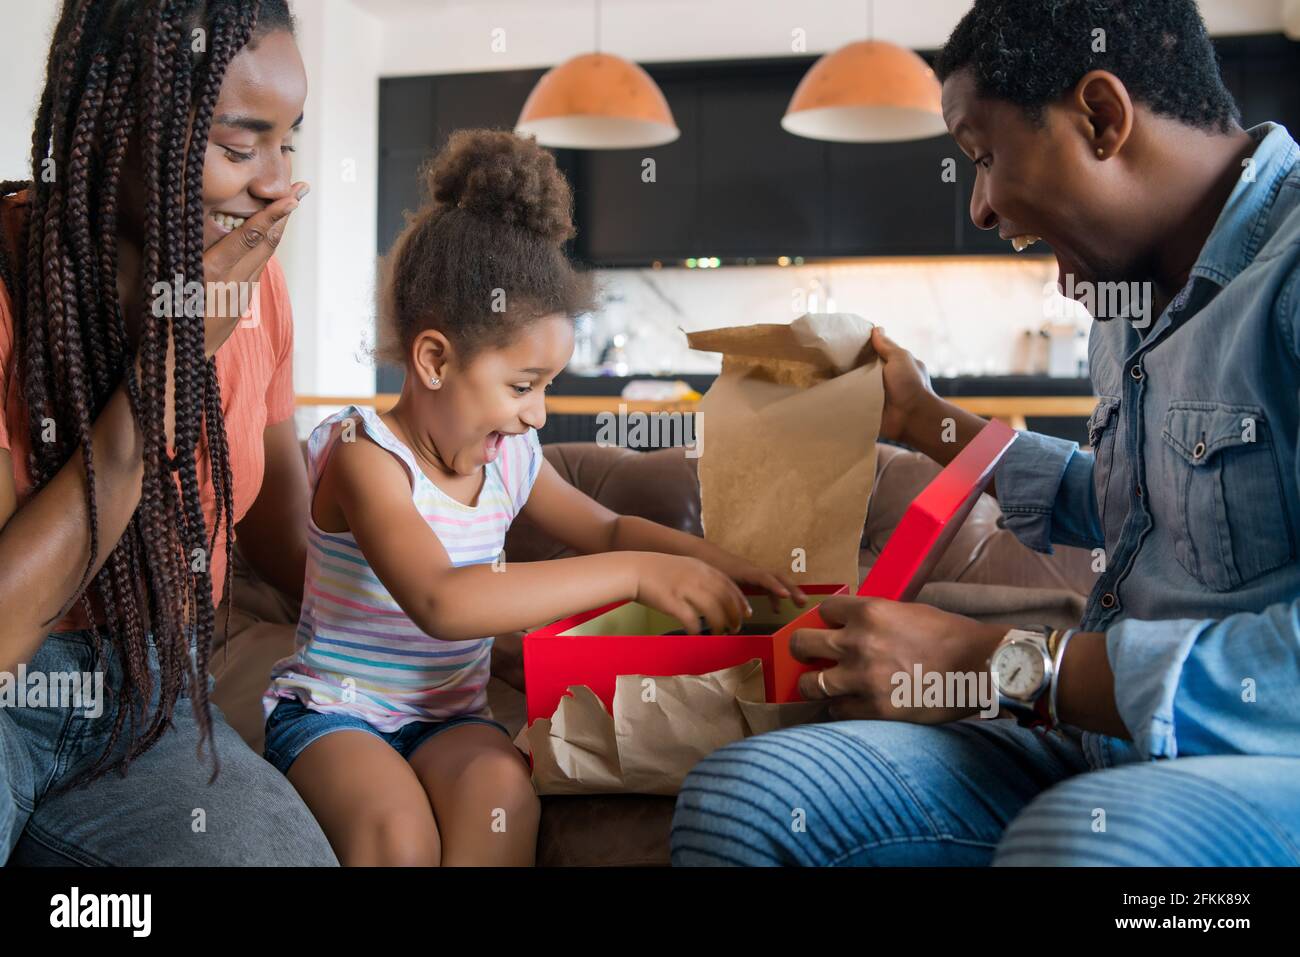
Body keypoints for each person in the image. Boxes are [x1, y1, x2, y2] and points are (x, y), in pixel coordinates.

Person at [671, 0, 1300, 866]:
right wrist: (925, 420)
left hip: (1262, 758)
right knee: (744, 802)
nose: (979, 207)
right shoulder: (1125, 286)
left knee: (1076, 847)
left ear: (1101, 118)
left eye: (985, 156)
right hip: (1089, 738)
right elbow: (1136, 503)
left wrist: (1005, 662)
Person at [262, 129, 807, 866]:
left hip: (449, 718)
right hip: (338, 714)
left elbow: (612, 530)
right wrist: (642, 576)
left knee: (504, 798)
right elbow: (443, 599)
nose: (538, 414)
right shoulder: (365, 458)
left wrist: (722, 564)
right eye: (523, 386)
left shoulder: (512, 457)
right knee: (398, 835)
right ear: (433, 360)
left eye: (548, 387)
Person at [0, 0, 335, 865]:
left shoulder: (259, 299)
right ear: (117, 128)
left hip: (148, 698)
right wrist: (170, 368)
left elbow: (288, 546)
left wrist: (469, 610)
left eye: (288, 139)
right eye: (236, 146)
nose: (276, 182)